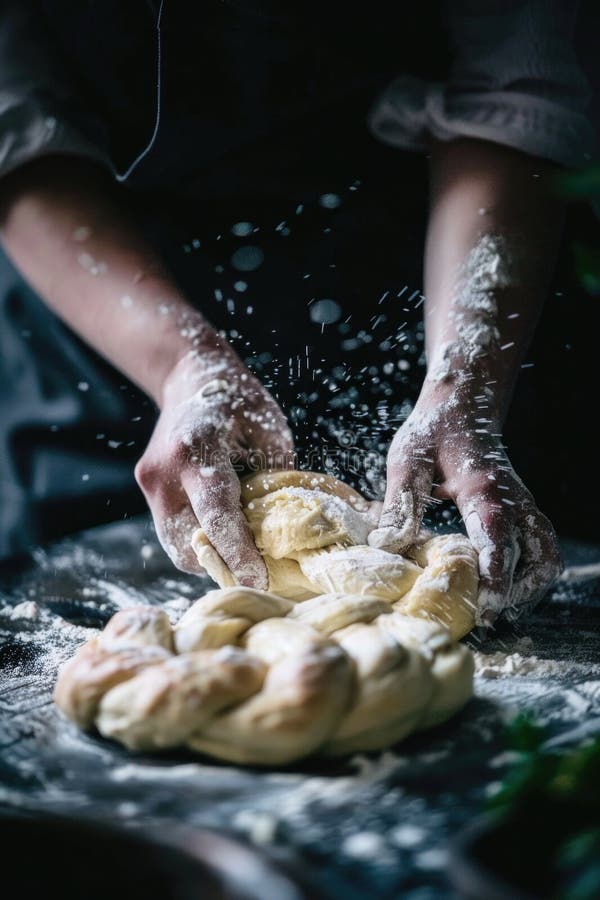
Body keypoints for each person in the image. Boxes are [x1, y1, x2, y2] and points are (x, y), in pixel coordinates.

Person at [0, 1, 596, 626]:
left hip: (426, 263)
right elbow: (19, 146)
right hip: (96, 297)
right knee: (64, 609)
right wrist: (181, 365)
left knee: (505, 577)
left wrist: (465, 387)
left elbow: (519, 98)